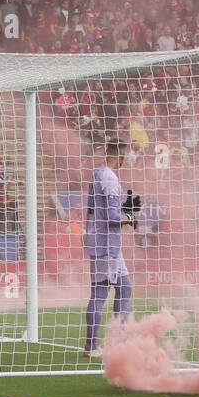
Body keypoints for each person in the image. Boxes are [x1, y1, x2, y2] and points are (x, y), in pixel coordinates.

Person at [83, 138, 137, 358]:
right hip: (105, 244)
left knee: (124, 288)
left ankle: (121, 341)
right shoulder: (110, 178)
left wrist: (125, 208)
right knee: (99, 294)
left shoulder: (98, 174)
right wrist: (130, 216)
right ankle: (91, 347)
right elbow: (113, 218)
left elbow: (102, 210)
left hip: (105, 243)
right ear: (121, 157)